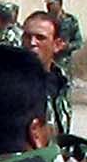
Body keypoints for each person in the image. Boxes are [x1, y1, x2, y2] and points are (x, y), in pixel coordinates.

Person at [21, 9, 74, 138]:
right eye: (28, 37)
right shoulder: (12, 82)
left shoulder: (62, 82)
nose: (32, 43)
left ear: (57, 44)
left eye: (40, 38)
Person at [45, 0, 82, 76]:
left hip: (63, 64)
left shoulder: (70, 21)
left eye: (52, 4)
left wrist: (66, 46)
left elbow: (78, 42)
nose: (49, 6)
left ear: (59, 4)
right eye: (48, 4)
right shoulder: (43, 20)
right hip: (46, 63)